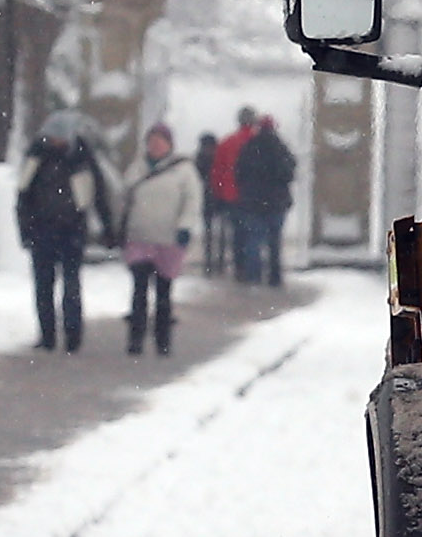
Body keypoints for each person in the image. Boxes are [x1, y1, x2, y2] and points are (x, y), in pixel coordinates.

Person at [13, 120, 113, 353]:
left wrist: (107, 227)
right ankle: (47, 335)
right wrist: (25, 228)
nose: (57, 141)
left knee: (70, 285)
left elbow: (98, 192)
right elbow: (23, 195)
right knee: (44, 286)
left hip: (71, 229)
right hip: (42, 229)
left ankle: (72, 335)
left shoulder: (80, 157)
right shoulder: (37, 156)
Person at [111, 122, 201, 356]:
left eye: (160, 141)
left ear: (169, 144)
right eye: (152, 141)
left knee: (163, 291)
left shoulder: (184, 171)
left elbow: (192, 201)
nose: (156, 146)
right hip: (139, 237)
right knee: (139, 289)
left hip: (168, 240)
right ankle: (136, 338)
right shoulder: (136, 169)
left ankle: (163, 340)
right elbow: (123, 199)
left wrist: (185, 226)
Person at [236, 114, 297, 287]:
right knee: (274, 241)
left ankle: (253, 276)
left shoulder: (249, 147)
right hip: (276, 203)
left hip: (253, 202)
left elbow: (239, 172)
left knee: (253, 240)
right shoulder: (281, 148)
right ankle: (275, 276)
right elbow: (290, 173)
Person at [211, 108, 260, 281]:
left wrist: (218, 192)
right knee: (255, 234)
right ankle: (254, 267)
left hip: (231, 195)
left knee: (238, 234)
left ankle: (240, 267)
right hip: (255, 196)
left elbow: (217, 170)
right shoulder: (257, 141)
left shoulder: (227, 142)